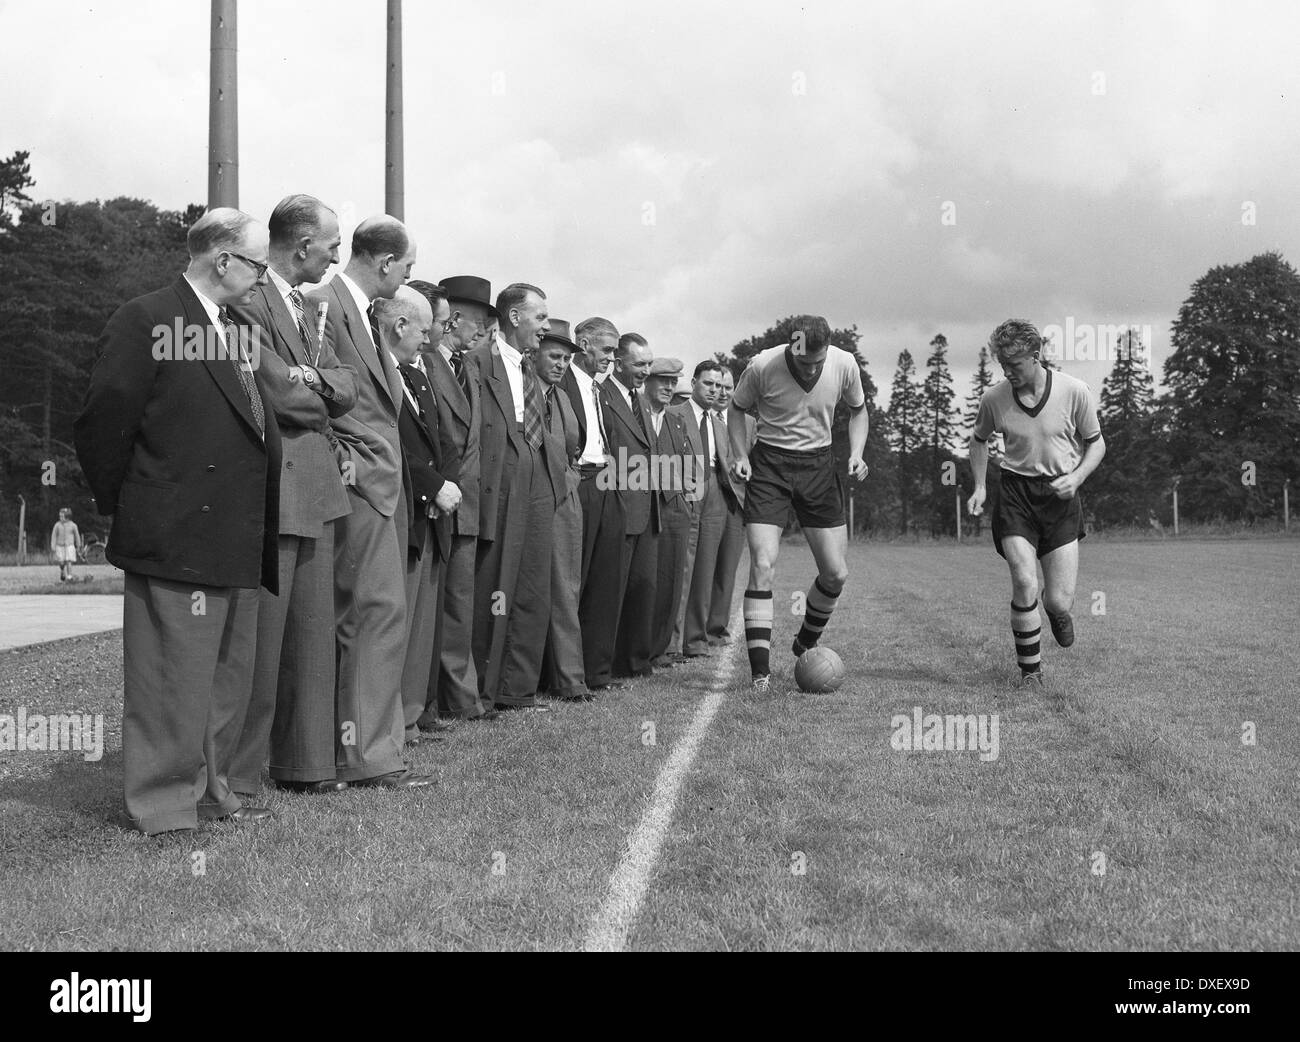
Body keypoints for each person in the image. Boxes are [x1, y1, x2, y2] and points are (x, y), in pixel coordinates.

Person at [74, 207, 280, 833]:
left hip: (236, 532)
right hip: (174, 530)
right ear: (223, 260)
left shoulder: (236, 325)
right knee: (172, 680)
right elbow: (103, 423)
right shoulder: (145, 319)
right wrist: (136, 503)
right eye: (258, 265)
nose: (265, 279)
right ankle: (165, 804)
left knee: (222, 677)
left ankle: (211, 790)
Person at [225, 195, 358, 799]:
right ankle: (243, 774)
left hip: (317, 486)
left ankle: (306, 763)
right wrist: (315, 388)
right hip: (277, 484)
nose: (337, 254)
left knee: (310, 632)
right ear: (303, 245)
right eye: (332, 243)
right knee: (264, 638)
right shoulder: (249, 302)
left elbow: (347, 387)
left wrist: (318, 383)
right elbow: (280, 394)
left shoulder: (307, 307)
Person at [308, 216, 433, 789]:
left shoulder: (356, 310)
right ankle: (365, 756)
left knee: (378, 613)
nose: (410, 275)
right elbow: (313, 390)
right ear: (385, 264)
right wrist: (350, 459)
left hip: (382, 485)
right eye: (408, 266)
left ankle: (367, 748)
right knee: (370, 613)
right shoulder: (325, 304)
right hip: (359, 483)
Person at [729, 316, 868, 693]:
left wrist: (857, 452)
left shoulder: (844, 364)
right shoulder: (762, 366)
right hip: (770, 466)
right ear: (791, 347)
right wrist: (741, 454)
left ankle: (806, 641)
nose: (811, 368)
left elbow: (858, 411)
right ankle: (760, 675)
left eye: (817, 361)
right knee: (762, 563)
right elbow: (736, 408)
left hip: (819, 467)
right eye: (804, 361)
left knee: (836, 573)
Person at [967, 319, 1105, 687]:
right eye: (1003, 364)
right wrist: (980, 486)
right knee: (1024, 580)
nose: (1008, 371)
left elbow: (1097, 442)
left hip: (1061, 499)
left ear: (1037, 355)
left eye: (1015, 363)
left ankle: (1058, 611)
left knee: (1058, 600)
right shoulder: (994, 399)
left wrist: (1076, 477)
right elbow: (978, 440)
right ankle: (1031, 673)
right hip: (1015, 496)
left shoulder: (1074, 391)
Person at [467, 283, 563, 710]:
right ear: (514, 317)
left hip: (537, 476)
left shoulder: (530, 369)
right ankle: (481, 691)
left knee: (531, 583)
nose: (545, 326)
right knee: (495, 582)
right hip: (500, 479)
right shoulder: (479, 362)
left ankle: (517, 689)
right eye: (540, 317)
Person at [412, 276, 497, 723]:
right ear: (455, 319)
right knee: (438, 605)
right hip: (437, 498)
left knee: (458, 603)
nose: (482, 330)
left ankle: (452, 698)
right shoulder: (426, 364)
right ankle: (438, 701)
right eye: (479, 320)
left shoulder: (466, 367)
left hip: (463, 502)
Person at [378, 286, 457, 743]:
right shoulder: (381, 373)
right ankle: (389, 723)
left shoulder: (418, 376)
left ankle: (407, 720)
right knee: (397, 623)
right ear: (400, 326)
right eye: (424, 331)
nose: (428, 341)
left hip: (432, 511)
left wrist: (447, 483)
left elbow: (440, 440)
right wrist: (433, 487)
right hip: (403, 508)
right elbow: (395, 444)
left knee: (421, 625)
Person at [564, 317, 627, 691]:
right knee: (577, 578)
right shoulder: (562, 381)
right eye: (607, 350)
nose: (611, 358)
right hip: (580, 482)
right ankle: (567, 673)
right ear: (584, 344)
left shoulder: (602, 390)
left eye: (615, 351)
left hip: (608, 483)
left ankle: (597, 671)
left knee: (607, 579)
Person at [533, 319, 589, 701]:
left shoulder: (563, 397)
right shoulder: (522, 392)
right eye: (554, 356)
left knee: (566, 586)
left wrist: (571, 477)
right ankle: (529, 680)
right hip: (531, 494)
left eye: (567, 359)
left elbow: (572, 446)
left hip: (565, 497)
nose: (561, 365)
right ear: (534, 352)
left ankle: (570, 679)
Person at [601, 333, 659, 678]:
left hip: (647, 508)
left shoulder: (642, 400)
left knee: (643, 589)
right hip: (619, 505)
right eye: (640, 364)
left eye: (649, 364)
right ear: (619, 363)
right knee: (612, 591)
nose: (646, 371)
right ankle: (604, 664)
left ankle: (636, 663)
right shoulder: (602, 396)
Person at [670, 361, 738, 658]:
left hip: (714, 490)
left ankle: (695, 640)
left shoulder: (719, 425)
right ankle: (671, 642)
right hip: (684, 488)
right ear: (694, 382)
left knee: (705, 568)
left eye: (718, 385)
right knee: (681, 568)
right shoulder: (675, 414)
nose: (713, 390)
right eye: (708, 383)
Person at [644, 358, 695, 668]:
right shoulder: (635, 412)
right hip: (644, 504)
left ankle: (662, 649)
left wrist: (685, 498)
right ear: (647, 380)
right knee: (643, 581)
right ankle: (638, 648)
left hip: (675, 507)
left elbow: (688, 465)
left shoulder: (676, 421)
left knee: (671, 580)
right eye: (662, 380)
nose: (668, 387)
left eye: (673, 381)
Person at [707, 367, 749, 645]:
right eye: (718, 386)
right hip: (708, 496)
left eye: (728, 387)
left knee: (727, 568)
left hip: (737, 502)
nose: (723, 392)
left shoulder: (750, 423)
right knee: (703, 566)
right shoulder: (704, 419)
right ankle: (693, 630)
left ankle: (717, 628)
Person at [50, 509, 82, 582]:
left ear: (67, 517)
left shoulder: (73, 525)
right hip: (60, 546)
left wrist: (78, 545)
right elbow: (54, 536)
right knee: (61, 562)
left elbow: (77, 536)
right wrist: (53, 546)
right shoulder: (57, 525)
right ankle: (62, 571)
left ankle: (69, 576)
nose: (60, 518)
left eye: (62, 516)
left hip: (69, 546)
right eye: (60, 516)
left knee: (69, 561)